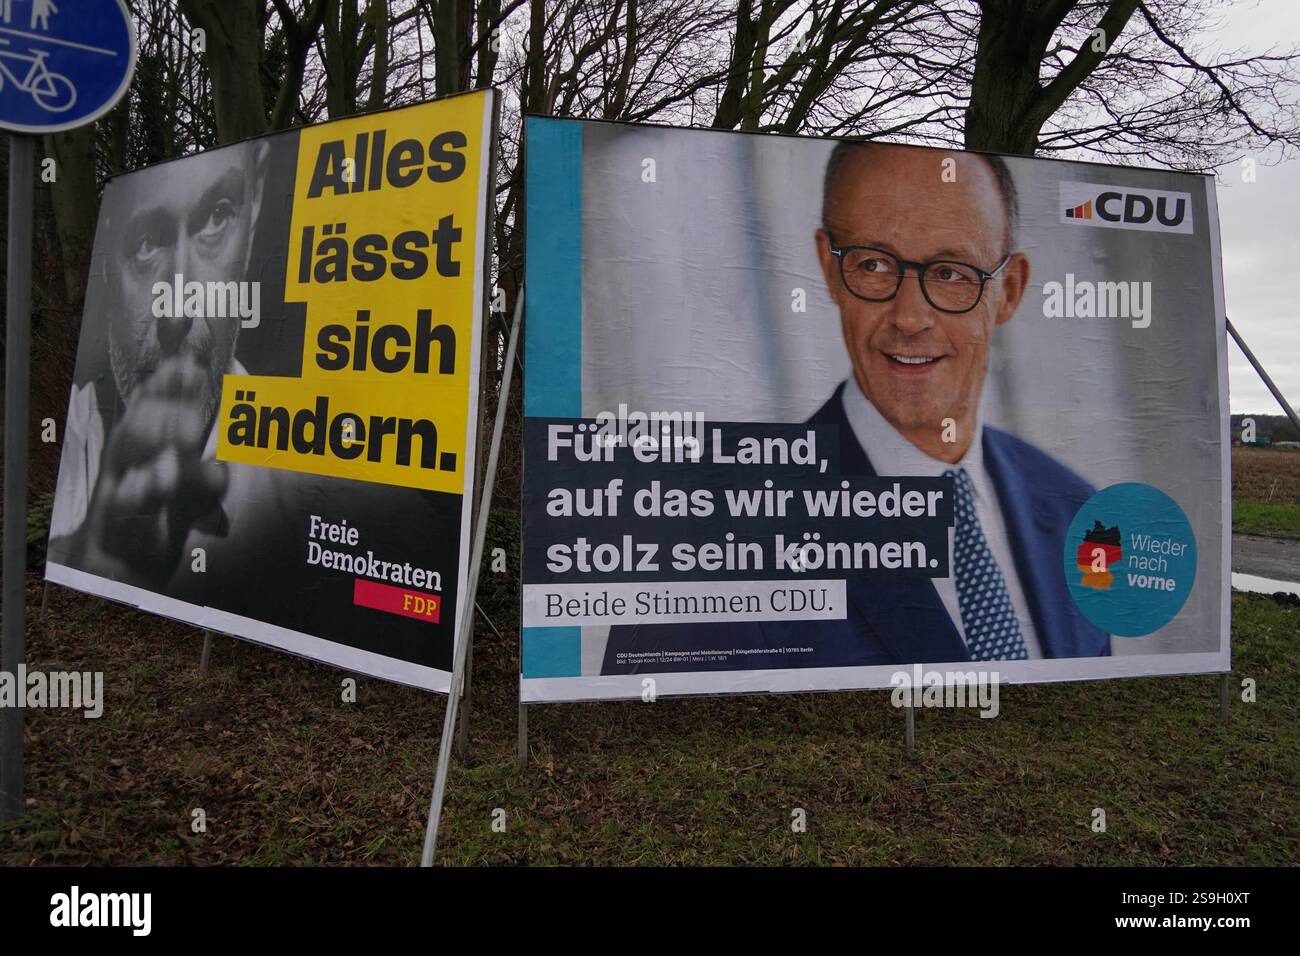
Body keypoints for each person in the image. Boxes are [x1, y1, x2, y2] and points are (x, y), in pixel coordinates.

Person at [602, 142, 1109, 672]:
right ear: (827, 266)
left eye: (951, 273)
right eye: (873, 264)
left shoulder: (1079, 513)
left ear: (1009, 289)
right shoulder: (711, 541)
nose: (910, 318)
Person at [48, 138, 282, 593]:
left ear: (253, 212)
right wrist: (88, 563)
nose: (177, 309)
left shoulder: (307, 490)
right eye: (146, 242)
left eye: (216, 218)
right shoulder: (70, 440)